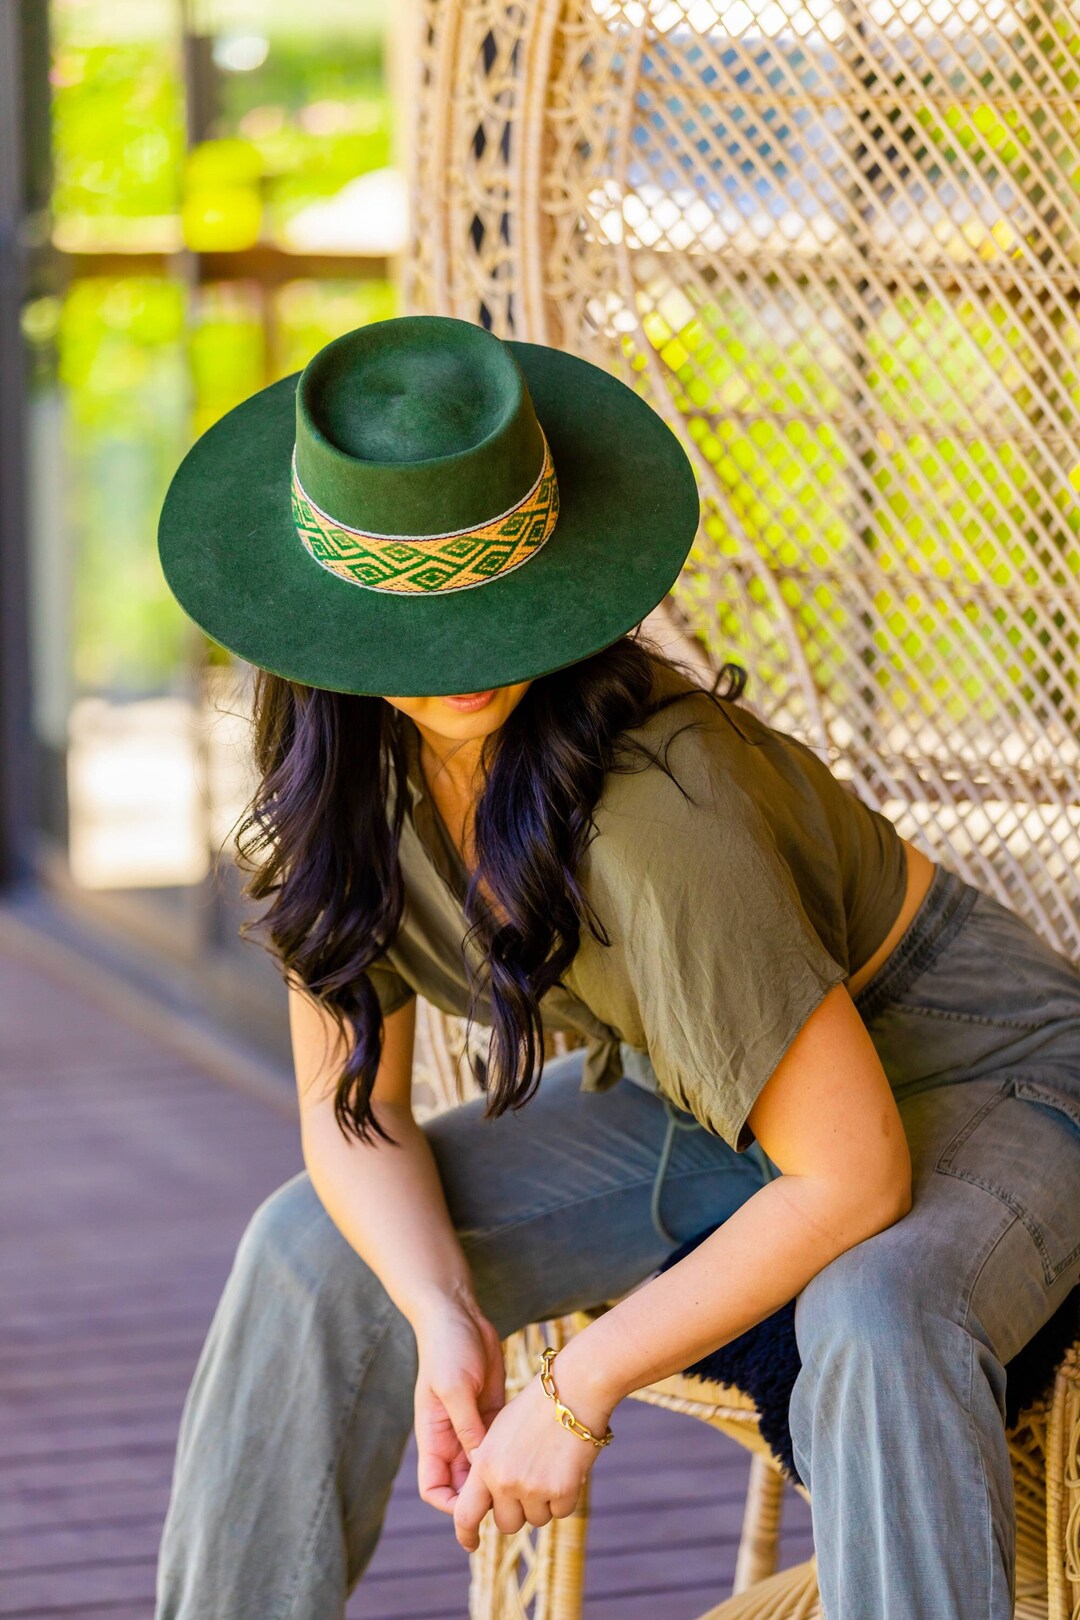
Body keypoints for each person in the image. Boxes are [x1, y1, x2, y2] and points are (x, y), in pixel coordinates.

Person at [154, 314, 1080, 1620]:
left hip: (981, 1068)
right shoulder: (341, 791)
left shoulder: (656, 809)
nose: (468, 652)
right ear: (332, 612)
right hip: (708, 1093)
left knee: (875, 1310)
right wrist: (439, 1317)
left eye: (493, 600)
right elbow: (344, 1107)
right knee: (312, 1252)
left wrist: (570, 1392)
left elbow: (855, 1174)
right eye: (420, 615)